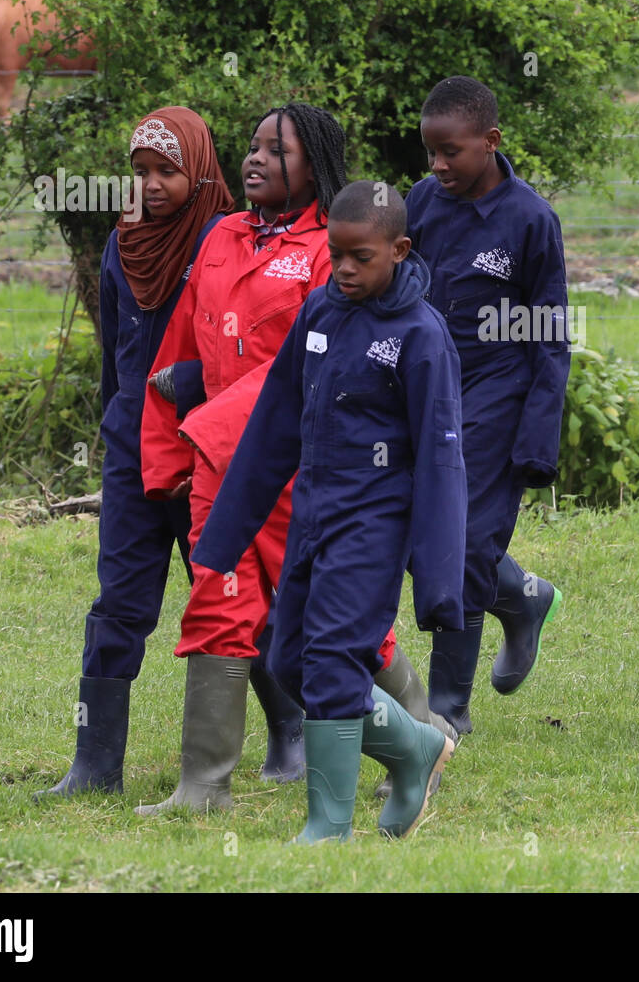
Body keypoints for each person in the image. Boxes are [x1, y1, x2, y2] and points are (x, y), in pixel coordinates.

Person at [135, 106, 429, 814]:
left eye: (279, 149)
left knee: (330, 617)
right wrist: (167, 447)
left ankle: (426, 731)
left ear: (314, 164)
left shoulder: (334, 250)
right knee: (218, 600)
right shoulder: (219, 237)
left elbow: (320, 366)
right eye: (254, 146)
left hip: (297, 465)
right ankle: (204, 785)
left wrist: (215, 414)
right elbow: (180, 349)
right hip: (217, 462)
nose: (257, 159)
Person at [193, 181, 464, 842]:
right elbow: (274, 423)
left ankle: (329, 826)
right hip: (314, 515)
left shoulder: (420, 337)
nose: (343, 269)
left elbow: (441, 462)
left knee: (334, 659)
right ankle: (414, 748)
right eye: (336, 254)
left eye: (360, 257)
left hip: (374, 526)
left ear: (399, 250)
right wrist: (227, 531)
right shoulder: (318, 314)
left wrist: (437, 581)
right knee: (288, 660)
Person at [35, 106, 232, 798]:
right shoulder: (126, 244)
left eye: (167, 171)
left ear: (200, 171)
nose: (150, 185)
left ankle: (291, 742)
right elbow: (117, 355)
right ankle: (94, 765)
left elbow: (242, 356)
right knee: (118, 600)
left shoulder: (225, 244)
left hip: (208, 450)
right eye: (140, 171)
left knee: (230, 597)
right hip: (132, 451)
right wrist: (117, 427)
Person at [406, 76, 570, 735]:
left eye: (452, 152)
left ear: (491, 142)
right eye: (431, 153)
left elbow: (551, 334)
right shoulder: (420, 203)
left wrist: (538, 436)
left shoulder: (530, 219)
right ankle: (525, 598)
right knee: (422, 536)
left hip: (500, 395)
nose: (439, 166)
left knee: (464, 543)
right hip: (428, 395)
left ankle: (449, 705)